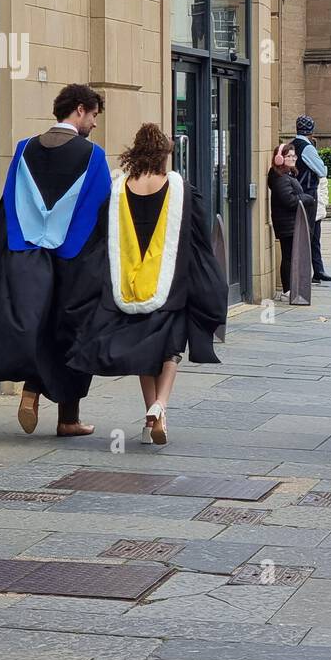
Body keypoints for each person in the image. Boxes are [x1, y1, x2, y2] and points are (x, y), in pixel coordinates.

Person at [68, 124, 228, 445]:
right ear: (163, 154)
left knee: (145, 352)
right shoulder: (180, 189)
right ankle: (161, 406)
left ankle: (149, 417)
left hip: (128, 285)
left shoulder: (118, 189)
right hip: (171, 284)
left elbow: (100, 240)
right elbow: (198, 238)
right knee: (170, 350)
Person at [0, 84, 111, 437]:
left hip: (25, 257)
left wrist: (18, 248)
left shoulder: (24, 149)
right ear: (80, 110)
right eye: (93, 116)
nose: (93, 124)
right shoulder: (93, 156)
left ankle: (32, 391)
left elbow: (10, 206)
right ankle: (68, 418)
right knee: (72, 333)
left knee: (38, 326)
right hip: (73, 260)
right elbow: (100, 211)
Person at [268, 142, 317, 298]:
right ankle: (287, 289)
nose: (293, 158)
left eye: (294, 155)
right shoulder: (280, 177)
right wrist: (307, 198)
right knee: (288, 256)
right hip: (287, 224)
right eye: (289, 156)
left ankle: (291, 287)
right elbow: (289, 200)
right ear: (279, 158)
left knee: (291, 255)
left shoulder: (286, 175)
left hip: (291, 222)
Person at [291, 116, 331, 284]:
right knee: (311, 233)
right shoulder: (308, 148)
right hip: (309, 194)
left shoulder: (293, 144)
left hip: (299, 193)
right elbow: (322, 170)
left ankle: (318, 269)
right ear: (311, 131)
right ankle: (312, 271)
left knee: (311, 232)